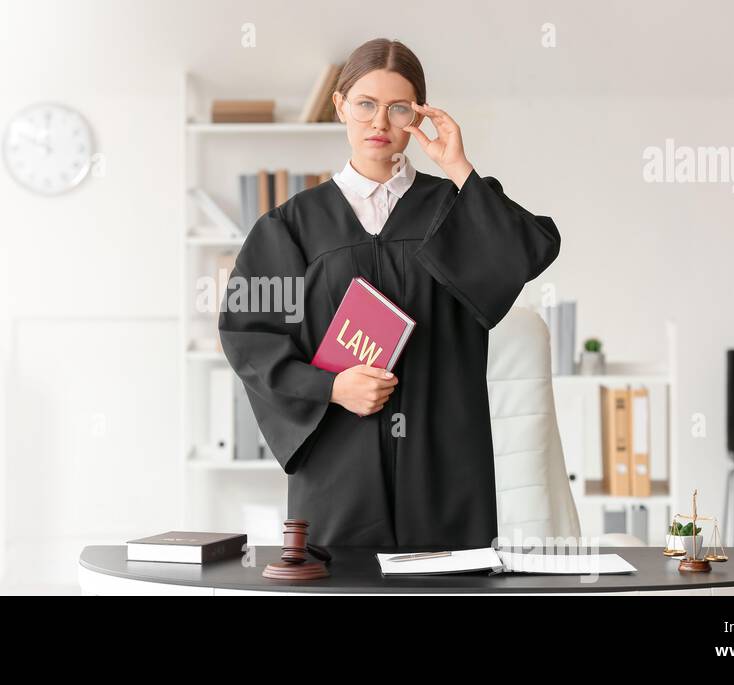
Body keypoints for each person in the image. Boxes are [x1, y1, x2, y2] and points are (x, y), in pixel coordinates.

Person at [217, 38, 561, 549]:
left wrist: (460, 169)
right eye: (365, 104)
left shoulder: (452, 206)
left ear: (416, 116)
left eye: (398, 107)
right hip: (339, 461)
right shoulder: (291, 226)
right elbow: (249, 338)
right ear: (340, 106)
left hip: (442, 458)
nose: (380, 123)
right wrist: (330, 388)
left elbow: (529, 250)